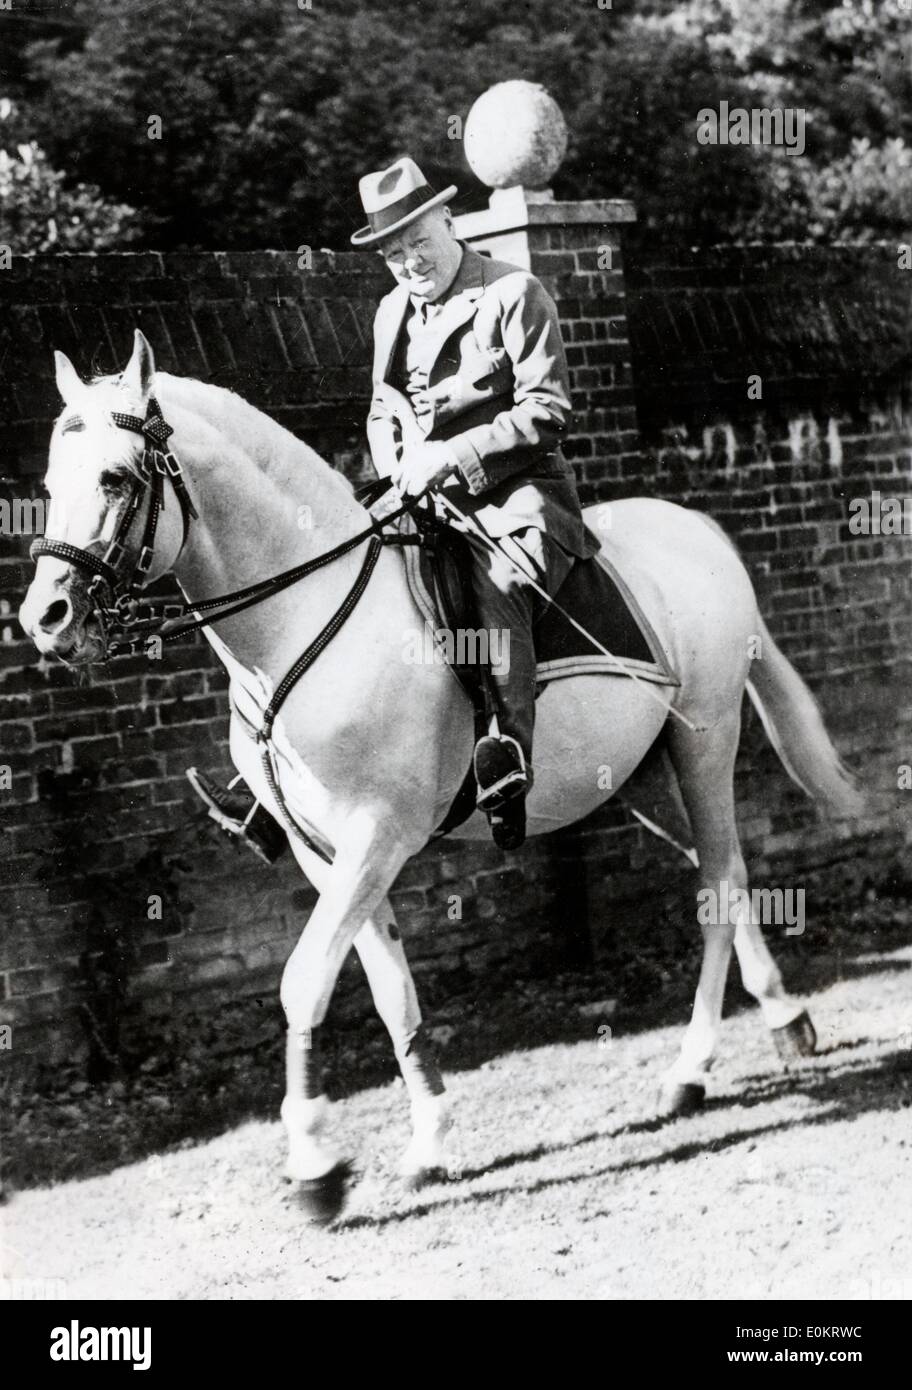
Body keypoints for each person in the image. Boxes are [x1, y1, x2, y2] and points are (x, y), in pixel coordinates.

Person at [189, 155, 597, 853]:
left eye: (418, 242)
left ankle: (504, 749)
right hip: (418, 489)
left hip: (517, 494)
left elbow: (548, 411)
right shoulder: (391, 312)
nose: (409, 262)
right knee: (339, 579)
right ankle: (277, 781)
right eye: (393, 253)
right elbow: (384, 407)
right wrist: (396, 458)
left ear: (448, 221)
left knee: (496, 581)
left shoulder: (512, 293)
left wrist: (455, 456)